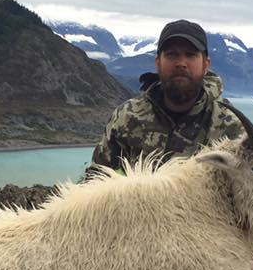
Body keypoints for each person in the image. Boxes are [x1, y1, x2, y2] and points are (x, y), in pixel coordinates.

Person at [91, 19, 244, 171]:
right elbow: (96, 177)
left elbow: (246, 188)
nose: (181, 63)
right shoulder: (127, 115)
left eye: (190, 55)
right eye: (172, 55)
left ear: (206, 65)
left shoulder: (230, 125)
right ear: (158, 62)